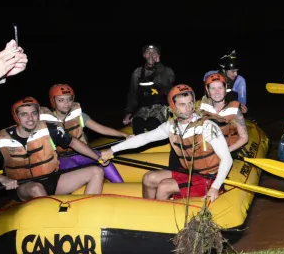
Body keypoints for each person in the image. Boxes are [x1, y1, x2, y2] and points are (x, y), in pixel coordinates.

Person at [100, 84, 233, 202]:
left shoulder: (208, 126)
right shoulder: (171, 126)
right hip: (189, 172)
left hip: (209, 177)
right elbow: (143, 139)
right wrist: (112, 150)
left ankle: (157, 220)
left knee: (164, 186)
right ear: (173, 106)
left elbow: (227, 159)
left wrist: (215, 188)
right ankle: (147, 210)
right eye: (182, 104)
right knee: (149, 178)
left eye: (190, 103)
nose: (188, 108)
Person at [0, 97, 105, 201]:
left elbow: (74, 142)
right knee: (36, 188)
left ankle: (87, 213)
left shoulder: (50, 129)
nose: (30, 118)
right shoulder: (1, 139)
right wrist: (2, 179)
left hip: (52, 180)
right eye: (24, 114)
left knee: (97, 171)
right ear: (16, 117)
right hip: (23, 186)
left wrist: (98, 158)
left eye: (34, 113)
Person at [39, 83, 130, 183]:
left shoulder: (78, 115)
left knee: (104, 158)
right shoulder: (44, 122)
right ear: (53, 101)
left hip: (83, 153)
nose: (66, 103)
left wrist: (124, 135)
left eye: (69, 99)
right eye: (61, 100)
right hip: (61, 158)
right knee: (70, 170)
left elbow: (100, 128)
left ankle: (120, 184)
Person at [123, 44, 175, 134]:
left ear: (158, 55)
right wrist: (129, 112)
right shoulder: (137, 72)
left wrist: (158, 65)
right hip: (143, 106)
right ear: (144, 55)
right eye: (148, 52)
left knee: (152, 124)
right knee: (137, 124)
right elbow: (133, 93)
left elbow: (165, 82)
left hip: (161, 106)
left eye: (154, 52)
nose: (151, 54)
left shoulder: (166, 71)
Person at [199, 73, 249, 154]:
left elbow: (244, 138)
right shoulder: (202, 107)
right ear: (208, 91)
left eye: (220, 88)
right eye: (213, 88)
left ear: (225, 88)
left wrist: (227, 151)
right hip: (210, 149)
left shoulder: (234, 109)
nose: (217, 92)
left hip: (229, 148)